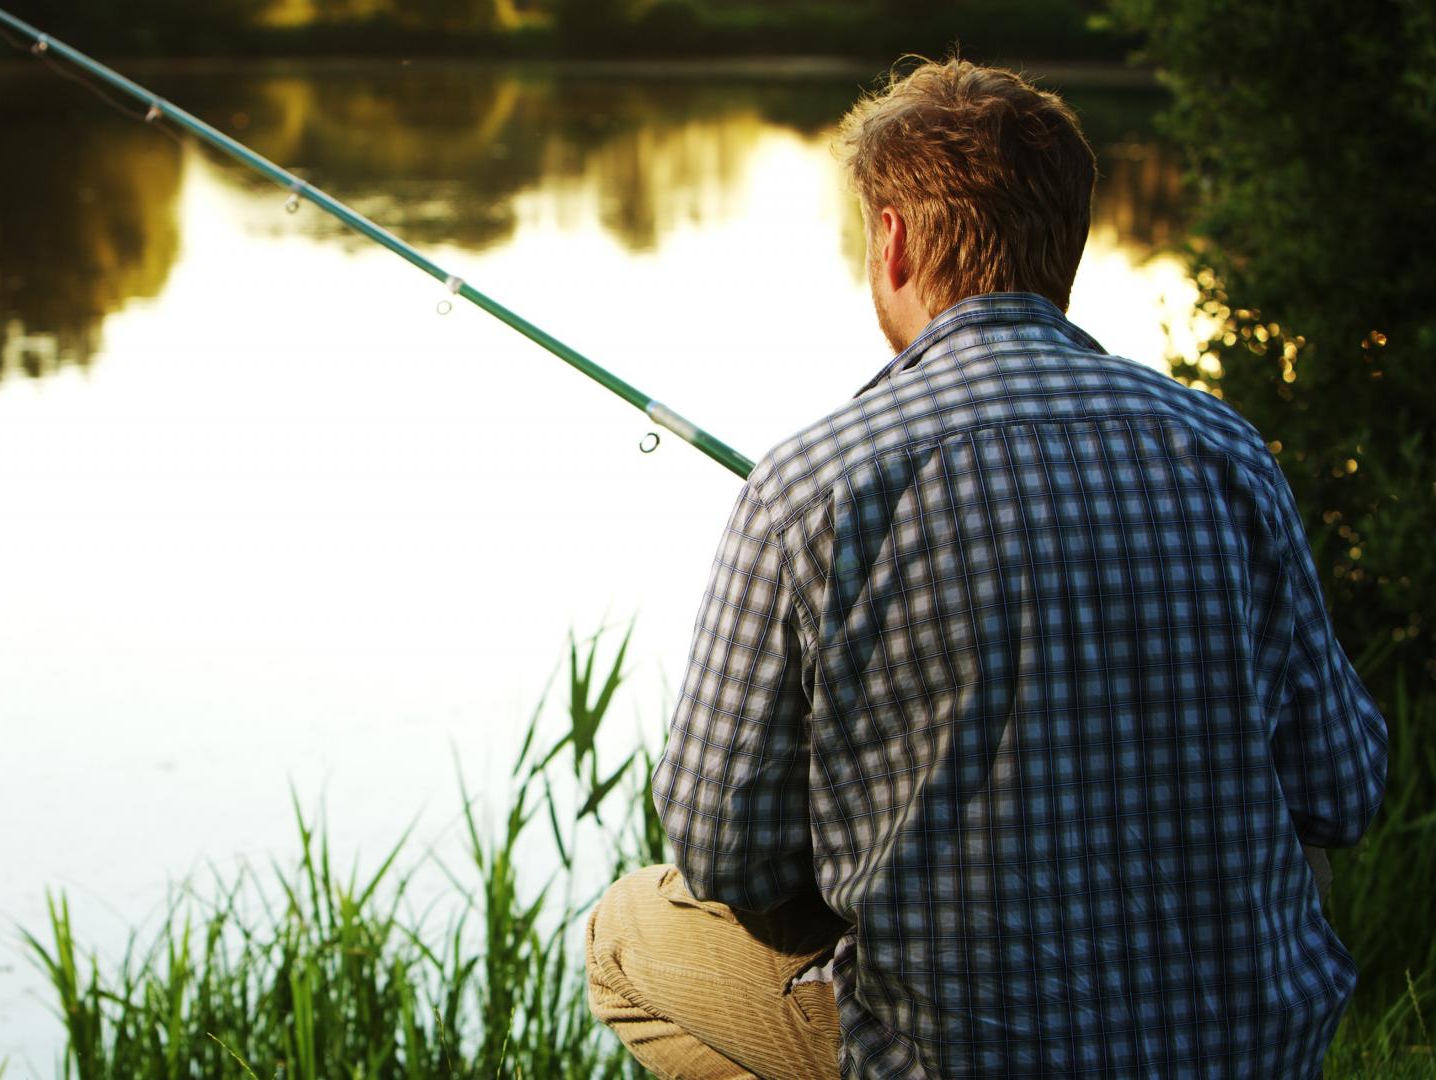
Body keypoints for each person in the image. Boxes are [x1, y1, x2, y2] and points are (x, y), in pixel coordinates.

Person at [585, 59, 1389, 1080]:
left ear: (896, 240)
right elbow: (1345, 787)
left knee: (623, 936)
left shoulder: (810, 483)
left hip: (953, 1057)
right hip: (1244, 1056)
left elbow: (722, 849)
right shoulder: (1225, 449)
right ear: (1070, 243)